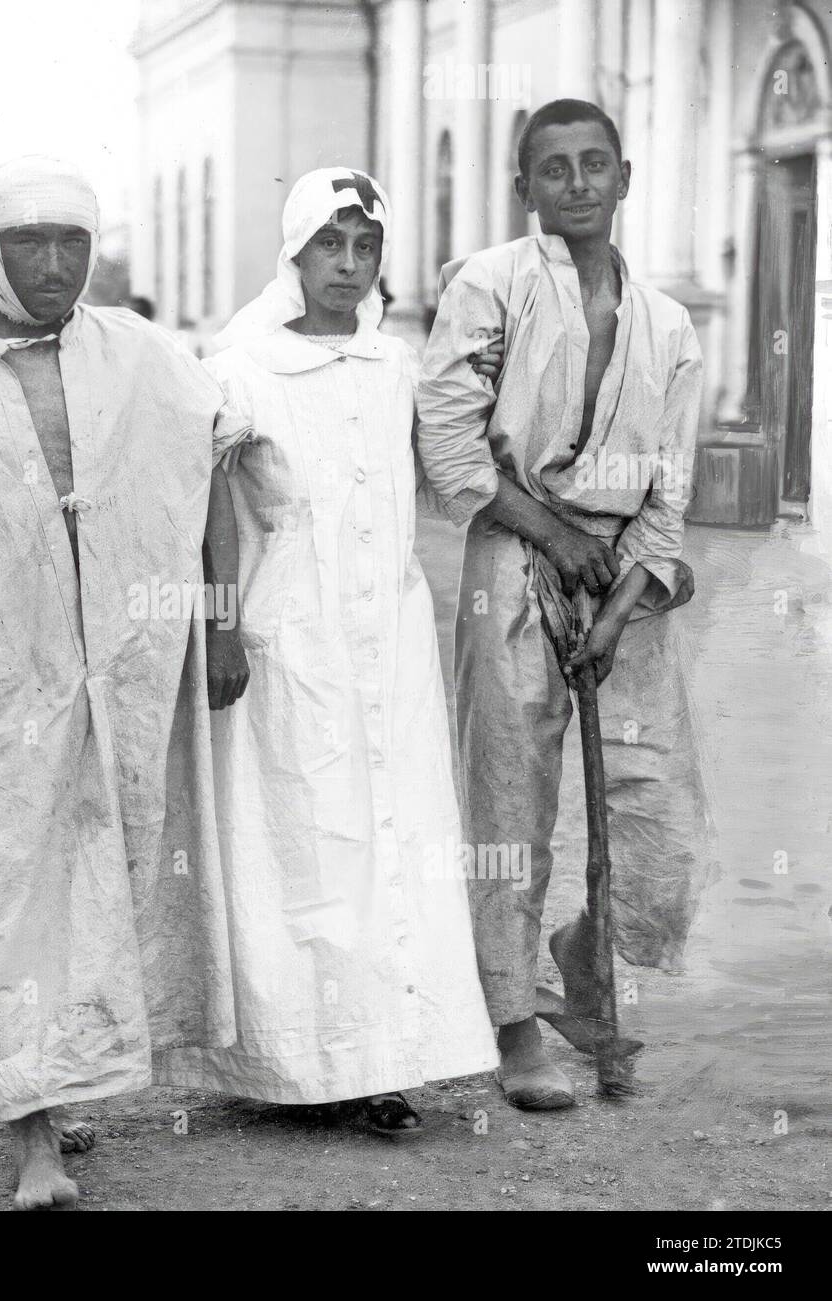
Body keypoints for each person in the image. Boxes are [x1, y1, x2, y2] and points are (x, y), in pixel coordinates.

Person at [0, 156, 251, 1210]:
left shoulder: (146, 359)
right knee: (10, 898)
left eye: (73, 241)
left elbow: (215, 465)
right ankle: (31, 1140)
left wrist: (219, 624)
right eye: (29, 243)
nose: (56, 263)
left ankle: (63, 1086)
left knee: (108, 882)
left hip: (123, 675)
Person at [155, 168, 500, 1125]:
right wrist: (220, 623)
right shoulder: (241, 369)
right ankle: (305, 1066)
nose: (347, 267)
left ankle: (385, 1061)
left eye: (365, 248)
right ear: (294, 254)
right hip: (289, 633)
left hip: (389, 634)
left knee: (397, 834)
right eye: (328, 247)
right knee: (309, 837)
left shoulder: (400, 366)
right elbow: (211, 500)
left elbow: (459, 465)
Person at [416, 99, 713, 1110]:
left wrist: (622, 599)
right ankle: (510, 1024)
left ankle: (582, 961)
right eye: (555, 168)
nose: (577, 183)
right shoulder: (490, 287)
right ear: (526, 186)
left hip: (621, 573)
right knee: (510, 806)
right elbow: (448, 444)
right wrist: (552, 534)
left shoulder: (667, 323)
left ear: (624, 178)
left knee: (659, 815)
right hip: (514, 550)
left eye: (595, 165)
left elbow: (669, 485)